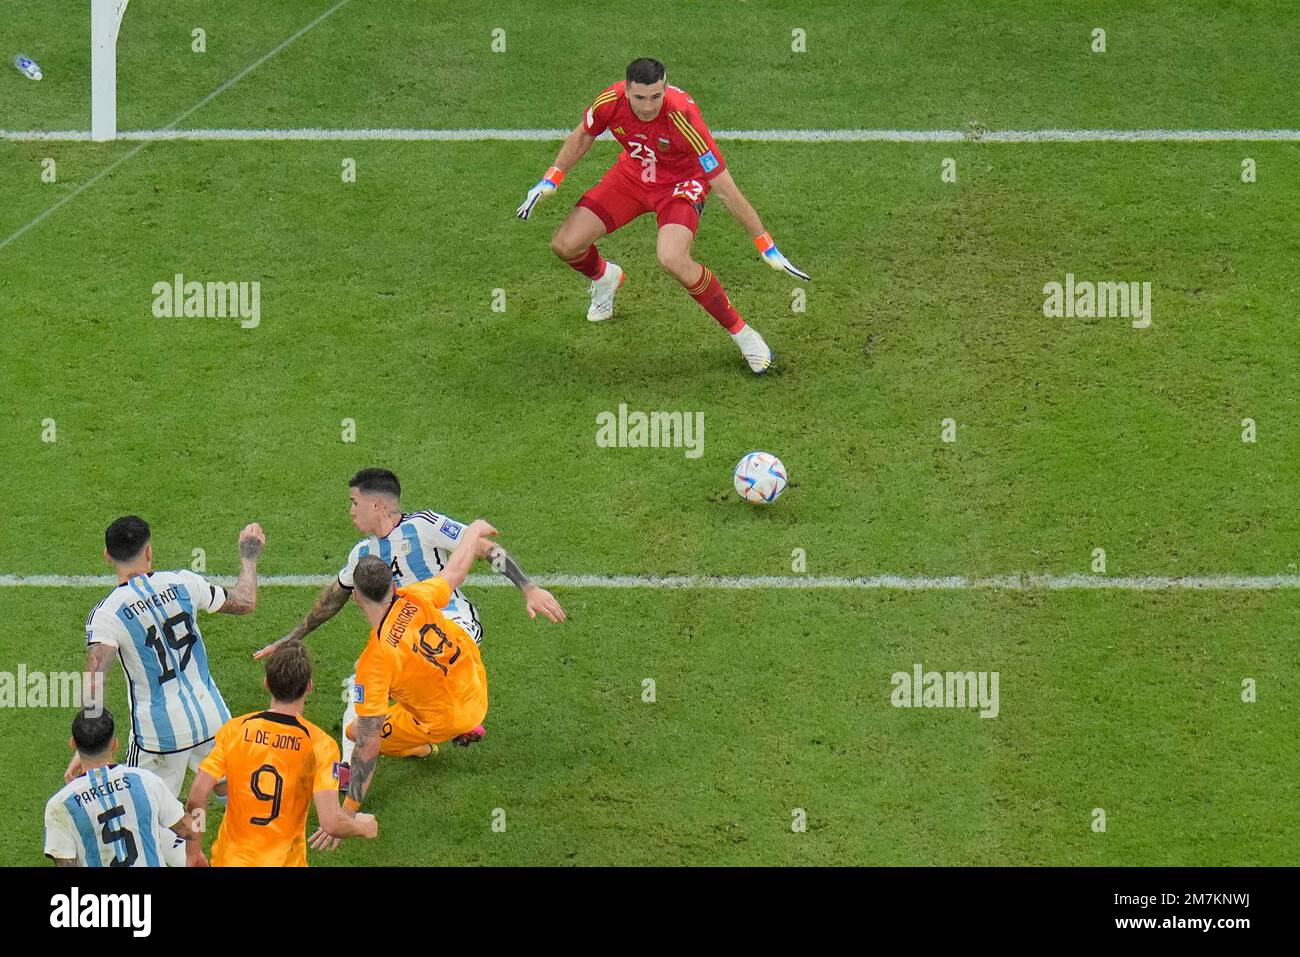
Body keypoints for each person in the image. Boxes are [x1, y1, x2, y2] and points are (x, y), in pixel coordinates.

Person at [516, 56, 809, 374]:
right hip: (632, 176)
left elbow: (725, 189)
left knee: (671, 258)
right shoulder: (610, 101)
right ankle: (605, 277)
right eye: (640, 97)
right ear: (627, 90)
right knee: (565, 245)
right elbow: (584, 134)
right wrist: (552, 178)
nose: (647, 106)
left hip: (681, 185)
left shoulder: (683, 116)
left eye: (656, 96)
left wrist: (764, 242)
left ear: (665, 88)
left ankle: (745, 335)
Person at [184, 641, 377, 866]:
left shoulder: (235, 730)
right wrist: (363, 827)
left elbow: (197, 795)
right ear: (309, 686)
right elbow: (331, 822)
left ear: (267, 684)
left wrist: (193, 851)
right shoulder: (320, 745)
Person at [45, 707, 198, 866]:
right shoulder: (147, 781)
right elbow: (189, 828)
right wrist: (196, 854)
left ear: (73, 743)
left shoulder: (60, 805)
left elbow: (65, 864)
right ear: (114, 744)